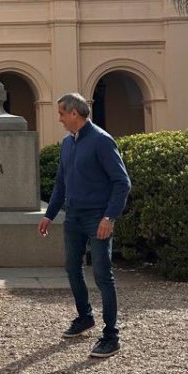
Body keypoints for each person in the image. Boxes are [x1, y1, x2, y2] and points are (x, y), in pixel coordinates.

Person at [37, 92, 131, 359]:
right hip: (74, 217)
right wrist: (49, 215)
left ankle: (111, 336)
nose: (59, 119)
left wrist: (109, 218)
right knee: (72, 268)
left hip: (97, 218)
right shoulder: (68, 143)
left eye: (61, 113)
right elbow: (61, 184)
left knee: (103, 275)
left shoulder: (102, 141)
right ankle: (84, 317)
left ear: (74, 114)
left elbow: (122, 183)